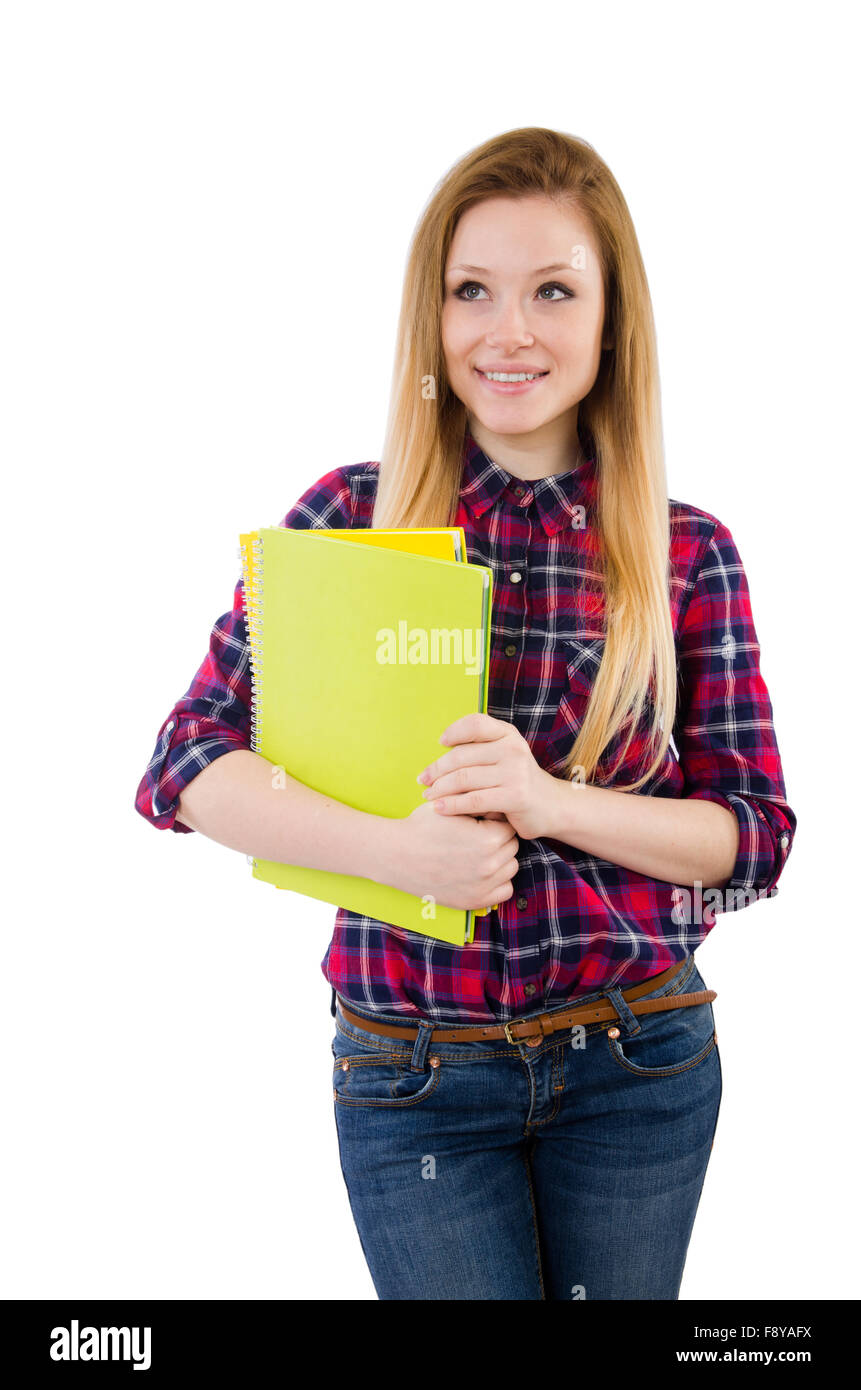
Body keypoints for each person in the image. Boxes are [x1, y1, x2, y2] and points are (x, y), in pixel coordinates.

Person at [135, 127, 797, 1300]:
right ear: (431, 319)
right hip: (414, 1074)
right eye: (472, 290)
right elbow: (187, 763)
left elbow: (750, 838)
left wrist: (548, 801)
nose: (511, 331)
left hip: (637, 1062)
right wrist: (400, 855)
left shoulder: (687, 551)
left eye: (554, 290)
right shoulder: (349, 520)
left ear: (610, 320)